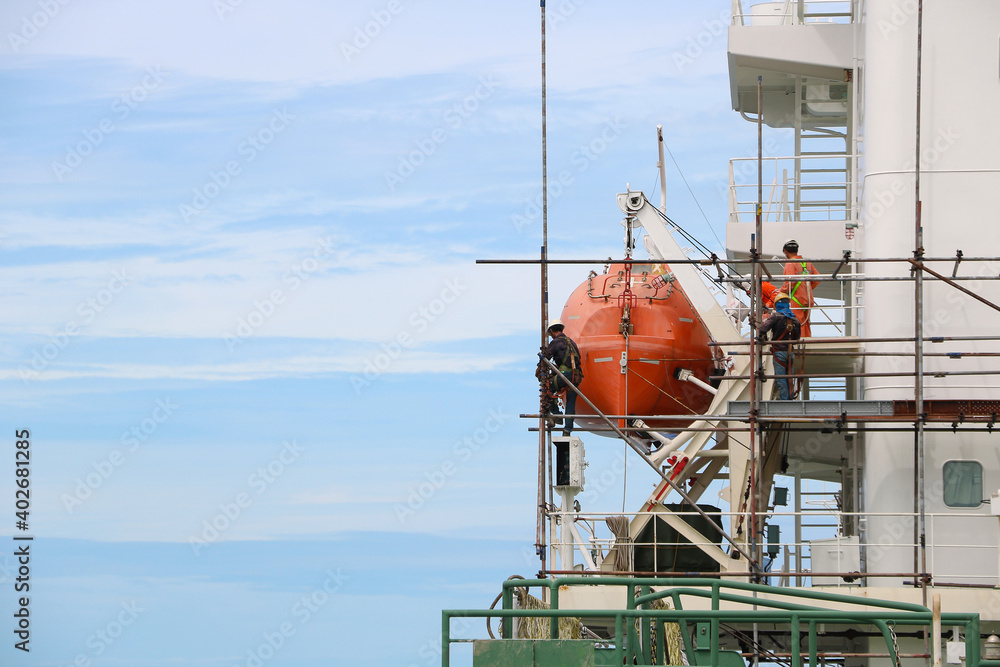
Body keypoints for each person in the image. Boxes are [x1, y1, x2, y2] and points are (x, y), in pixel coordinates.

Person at [543, 319, 584, 436]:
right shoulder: (572, 342)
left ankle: (556, 415)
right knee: (570, 402)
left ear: (551, 331)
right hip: (576, 376)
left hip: (565, 374)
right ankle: (567, 430)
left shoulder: (556, 342)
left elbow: (545, 358)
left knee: (547, 389)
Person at [757, 293, 800, 400]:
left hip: (779, 353)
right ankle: (790, 399)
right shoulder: (795, 319)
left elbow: (762, 329)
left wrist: (762, 335)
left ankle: (786, 403)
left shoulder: (775, 317)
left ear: (776, 305)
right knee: (790, 378)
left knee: (781, 379)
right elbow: (796, 339)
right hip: (791, 353)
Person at [779, 239, 820, 338]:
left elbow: (790, 282)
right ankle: (808, 340)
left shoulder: (790, 264)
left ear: (785, 251)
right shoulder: (807, 262)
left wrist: (781, 293)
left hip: (797, 298)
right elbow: (817, 278)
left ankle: (800, 342)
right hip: (808, 298)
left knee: (798, 323)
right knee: (806, 323)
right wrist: (808, 289)